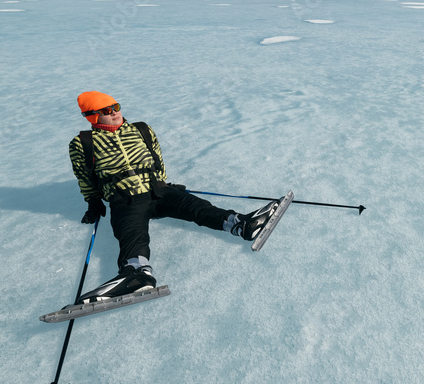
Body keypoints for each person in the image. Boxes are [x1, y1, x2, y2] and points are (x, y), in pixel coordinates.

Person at [68, 91, 279, 305]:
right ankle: (137, 273)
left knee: (197, 207)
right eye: (106, 110)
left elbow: (157, 158)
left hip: (158, 191)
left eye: (116, 106)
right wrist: (93, 201)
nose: (114, 113)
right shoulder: (83, 143)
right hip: (126, 198)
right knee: (131, 232)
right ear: (92, 116)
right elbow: (84, 176)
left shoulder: (141, 129)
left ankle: (242, 225)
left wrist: (163, 182)